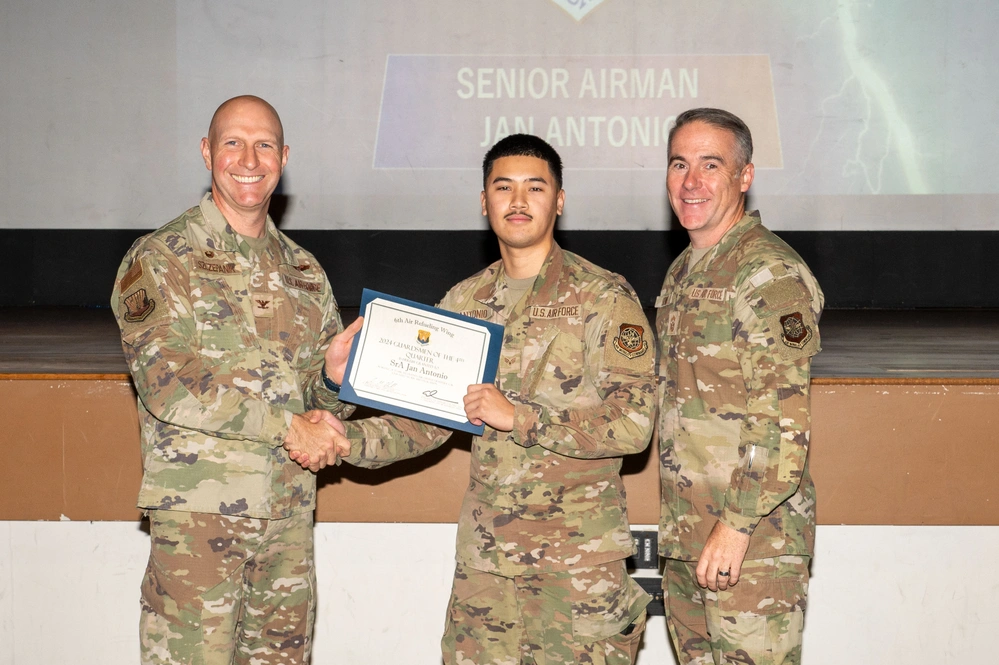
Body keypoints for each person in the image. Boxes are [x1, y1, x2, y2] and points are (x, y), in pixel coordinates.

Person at [308, 134, 657, 664]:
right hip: (487, 572)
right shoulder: (464, 303)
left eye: (535, 187)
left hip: (575, 571)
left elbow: (633, 425)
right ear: (484, 200)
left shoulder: (603, 297)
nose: (518, 202)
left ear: (559, 200)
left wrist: (521, 417)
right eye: (504, 187)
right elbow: (422, 423)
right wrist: (344, 437)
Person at [111, 95, 356, 665]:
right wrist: (289, 424)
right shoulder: (162, 257)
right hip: (202, 518)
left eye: (265, 144)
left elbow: (316, 404)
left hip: (288, 520)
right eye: (232, 142)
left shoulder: (304, 270)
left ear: (284, 157)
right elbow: (169, 384)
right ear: (206, 152)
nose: (250, 158)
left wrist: (333, 380)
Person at [655, 107, 824, 664]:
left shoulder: (766, 273)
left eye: (711, 164)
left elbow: (781, 420)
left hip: (751, 542)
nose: (691, 182)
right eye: (680, 164)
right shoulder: (686, 269)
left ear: (744, 177)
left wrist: (735, 524)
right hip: (688, 535)